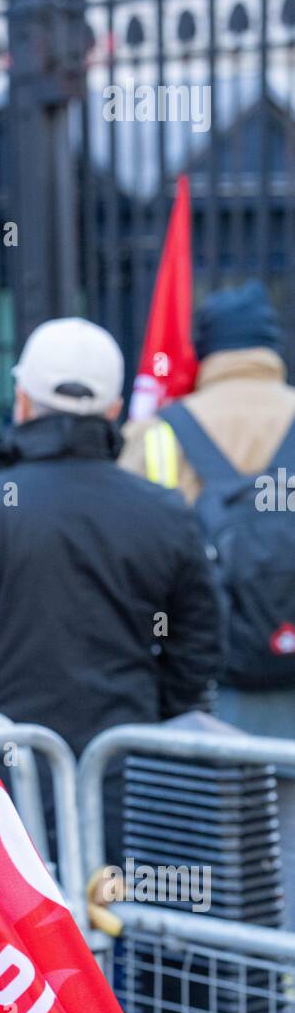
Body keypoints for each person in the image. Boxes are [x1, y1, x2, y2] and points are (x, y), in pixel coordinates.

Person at [0, 318, 222, 859]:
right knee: (127, 935)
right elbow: (195, 658)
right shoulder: (166, 514)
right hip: (127, 790)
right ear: (112, 410)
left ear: (22, 401)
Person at [120, 280, 295, 739]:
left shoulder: (159, 432)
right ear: (272, 347)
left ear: (207, 351)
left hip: (205, 683)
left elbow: (131, 548)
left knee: (219, 806)